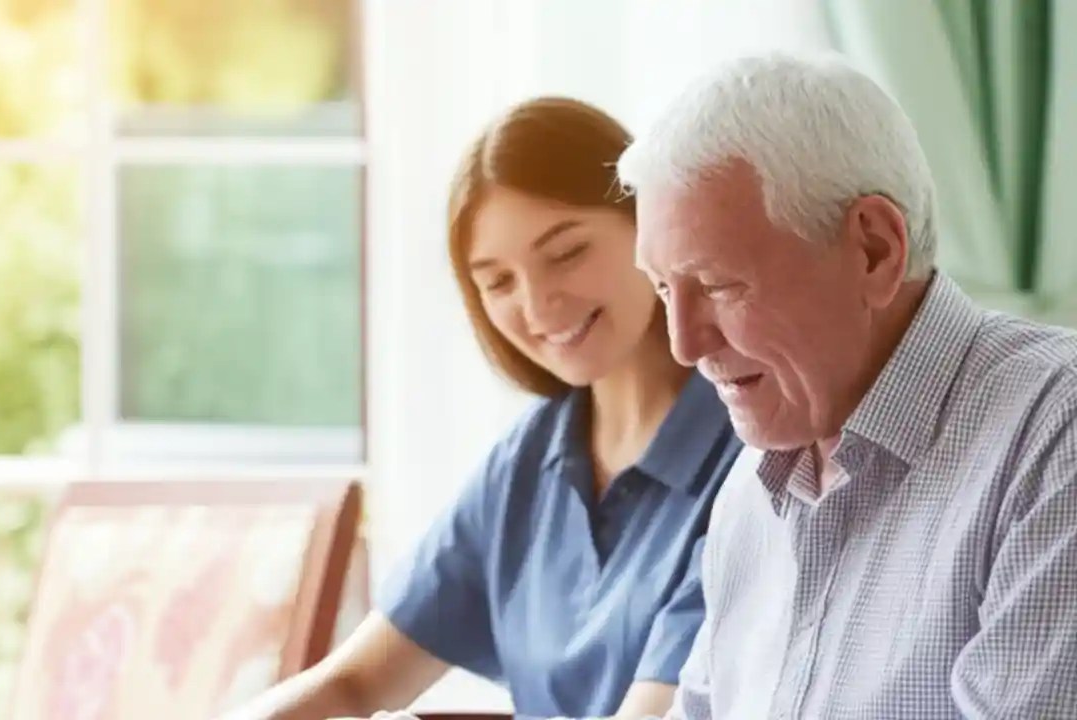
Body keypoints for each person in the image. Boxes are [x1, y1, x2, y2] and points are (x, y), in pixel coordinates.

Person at [224, 98, 741, 720]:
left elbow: (658, 711)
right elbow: (356, 685)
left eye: (566, 253)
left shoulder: (751, 449)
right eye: (498, 282)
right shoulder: (529, 462)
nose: (539, 306)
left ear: (650, 226)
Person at [616, 53, 1077, 719]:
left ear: (874, 250)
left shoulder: (1055, 432)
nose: (684, 344)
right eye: (663, 289)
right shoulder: (749, 496)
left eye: (717, 285)